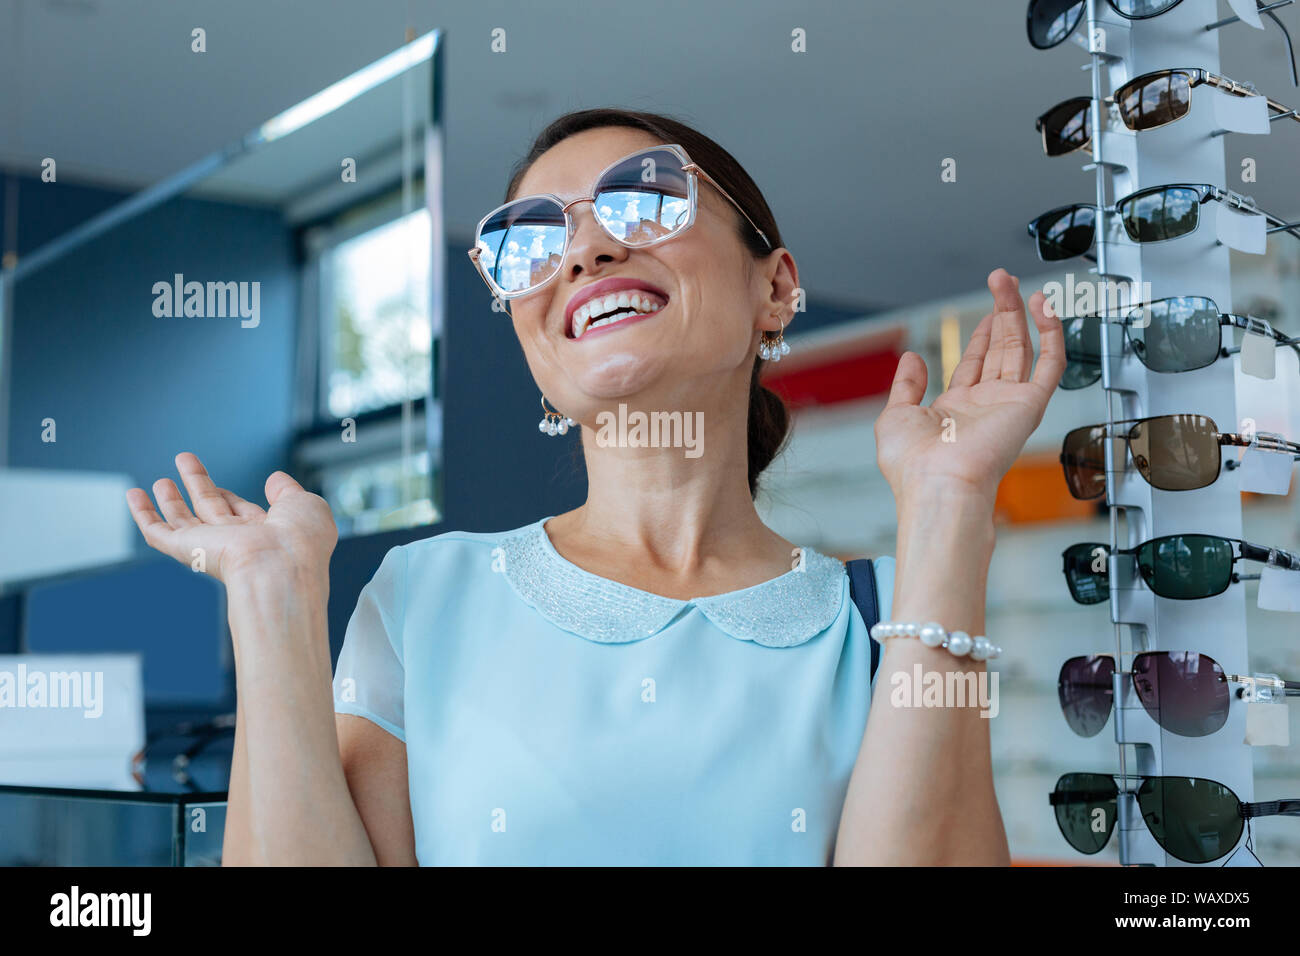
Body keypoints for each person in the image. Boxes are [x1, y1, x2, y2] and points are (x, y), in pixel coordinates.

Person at [125, 108, 1064, 866]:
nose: (581, 254)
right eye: (532, 241)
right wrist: (271, 601)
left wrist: (948, 501)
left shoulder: (891, 616)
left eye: (644, 199)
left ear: (774, 289)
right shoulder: (421, 597)